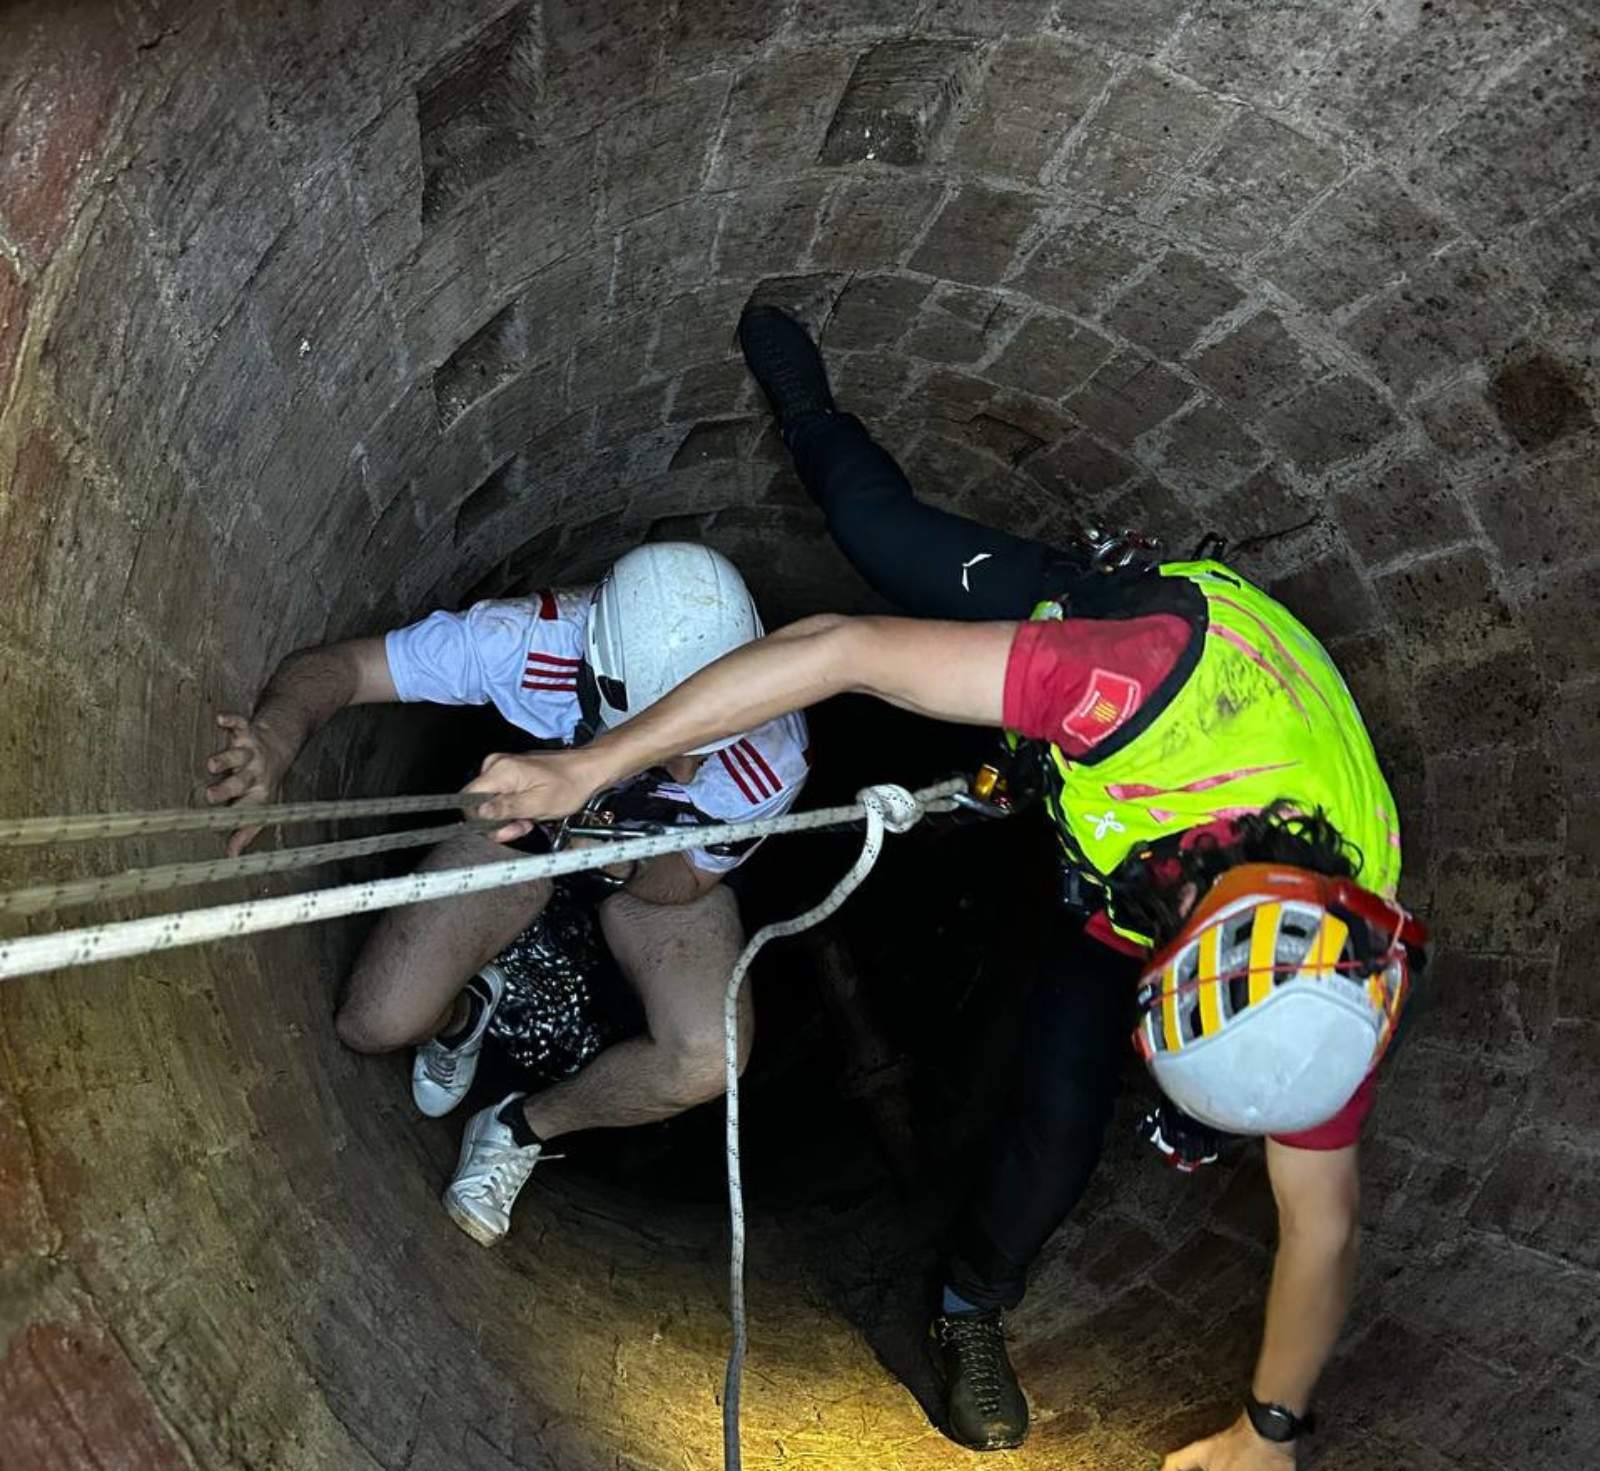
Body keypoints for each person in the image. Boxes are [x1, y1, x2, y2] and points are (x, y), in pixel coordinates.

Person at [460, 309, 1428, 1471]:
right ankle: (813, 410)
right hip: (1135, 662)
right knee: (878, 531)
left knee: (1060, 1129)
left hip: (1133, 883)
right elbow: (842, 648)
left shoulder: (1329, 986)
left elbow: (1321, 1229)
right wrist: (591, 765)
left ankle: (970, 1306)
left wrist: (1267, 1434)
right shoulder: (1123, 689)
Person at [202, 542, 809, 1247]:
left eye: (710, 733)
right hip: (517, 827)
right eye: (669, 735)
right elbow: (343, 668)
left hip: (648, 863)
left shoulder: (773, 748)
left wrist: (615, 866)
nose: (689, 762)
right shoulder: (523, 642)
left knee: (709, 1053)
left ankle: (520, 1127)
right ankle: (463, 1013)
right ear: (600, 680)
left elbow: (692, 877)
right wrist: (274, 741)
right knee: (373, 1025)